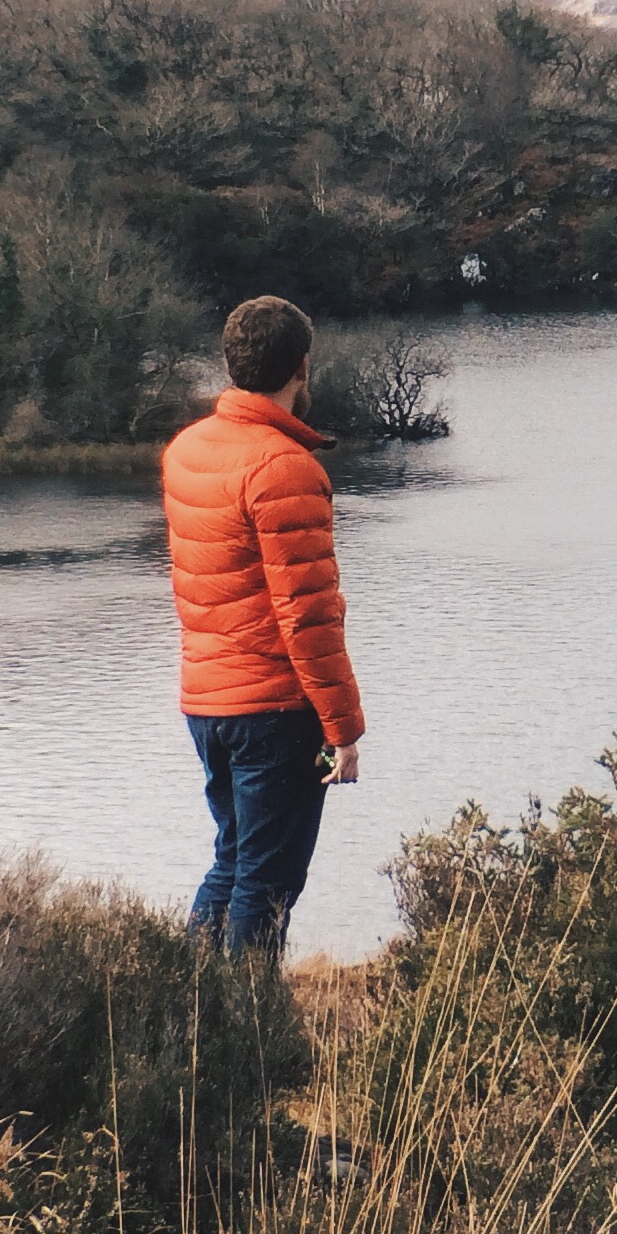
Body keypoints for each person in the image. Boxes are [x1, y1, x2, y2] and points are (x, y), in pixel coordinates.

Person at [161, 294, 364, 954]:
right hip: (273, 711)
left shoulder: (188, 451)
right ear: (301, 367)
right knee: (267, 883)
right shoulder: (284, 468)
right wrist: (343, 732)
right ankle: (247, 1036)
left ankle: (190, 1012)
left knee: (234, 862)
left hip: (207, 702)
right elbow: (307, 616)